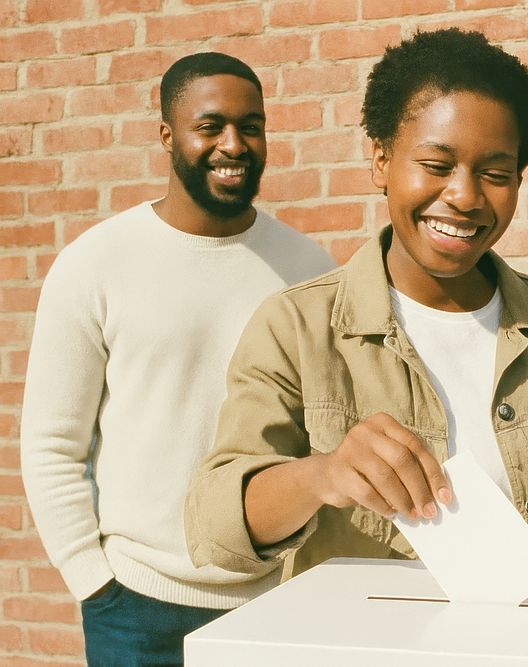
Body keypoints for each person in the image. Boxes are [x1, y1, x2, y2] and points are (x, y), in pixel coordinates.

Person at [185, 28, 528, 582]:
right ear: (381, 160)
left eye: (496, 174)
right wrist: (322, 476)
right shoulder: (298, 328)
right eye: (436, 164)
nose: (466, 195)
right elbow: (214, 529)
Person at [20, 52, 335, 664]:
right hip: (135, 607)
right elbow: (52, 444)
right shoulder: (96, 264)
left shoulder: (308, 271)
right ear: (167, 134)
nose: (234, 144)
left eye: (252, 126)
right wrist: (93, 581)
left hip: (275, 600)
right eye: (210, 126)